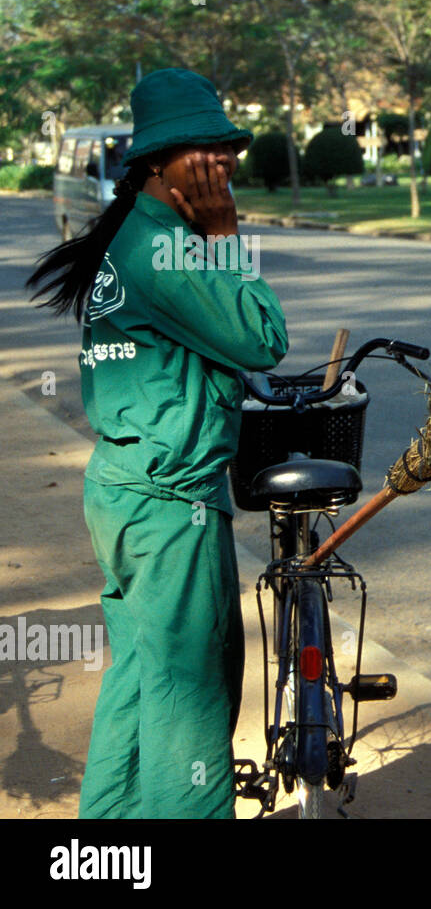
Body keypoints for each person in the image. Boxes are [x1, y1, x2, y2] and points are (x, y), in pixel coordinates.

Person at [27, 68, 289, 818]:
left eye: (226, 152)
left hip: (124, 494)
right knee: (190, 700)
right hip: (171, 508)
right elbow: (262, 338)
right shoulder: (169, 251)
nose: (223, 167)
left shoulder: (134, 235)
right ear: (158, 163)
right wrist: (227, 235)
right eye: (204, 154)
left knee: (141, 679)